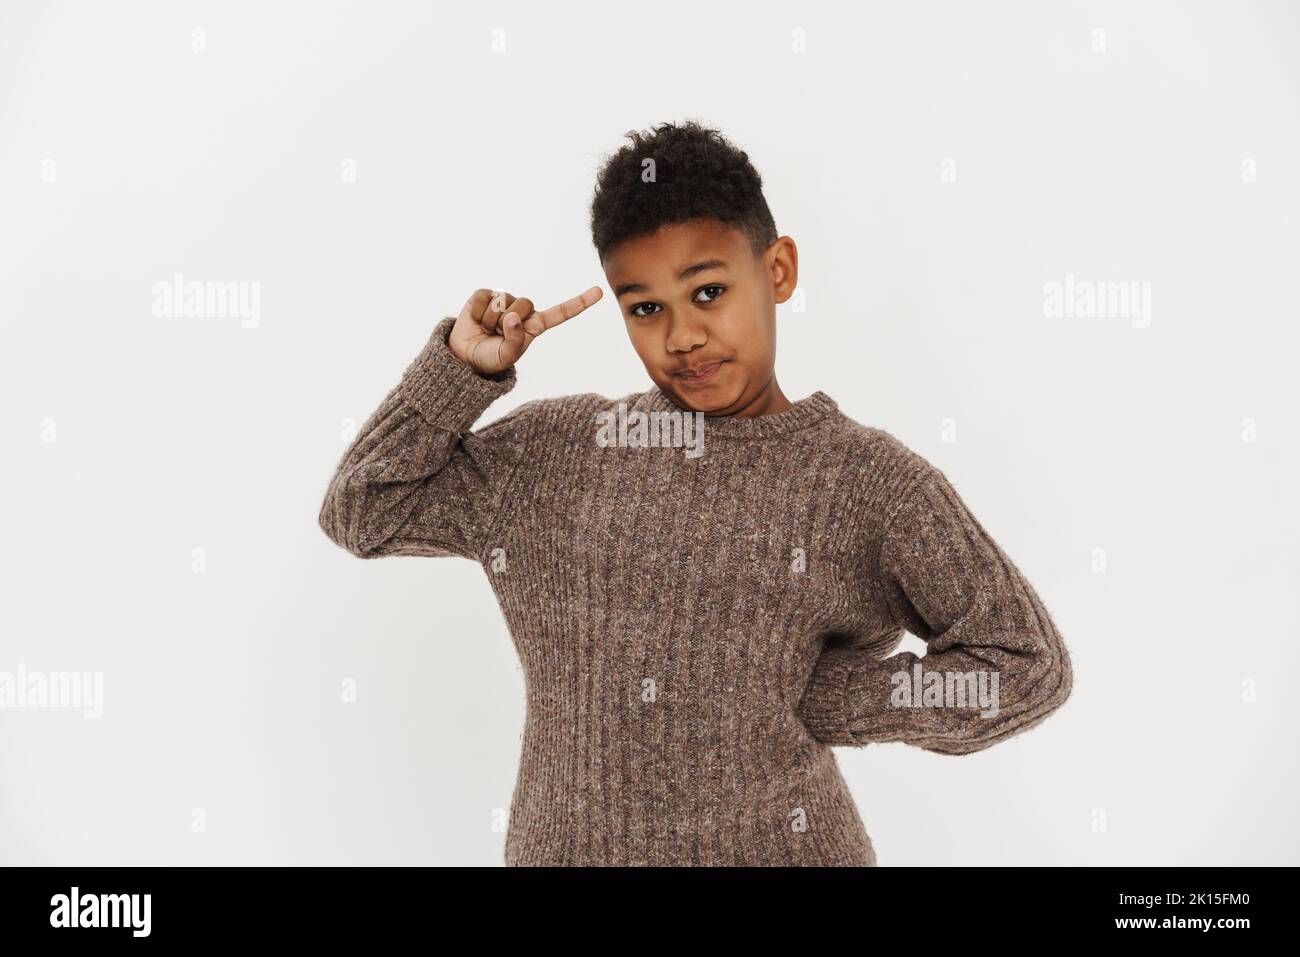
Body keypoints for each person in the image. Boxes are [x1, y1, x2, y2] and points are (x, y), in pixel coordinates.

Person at [318, 119, 1073, 866]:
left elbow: (1026, 663)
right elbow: (362, 507)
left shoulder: (868, 483)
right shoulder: (556, 454)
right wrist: (460, 374)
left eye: (708, 291)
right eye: (645, 307)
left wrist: (842, 700)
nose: (680, 336)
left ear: (777, 270)